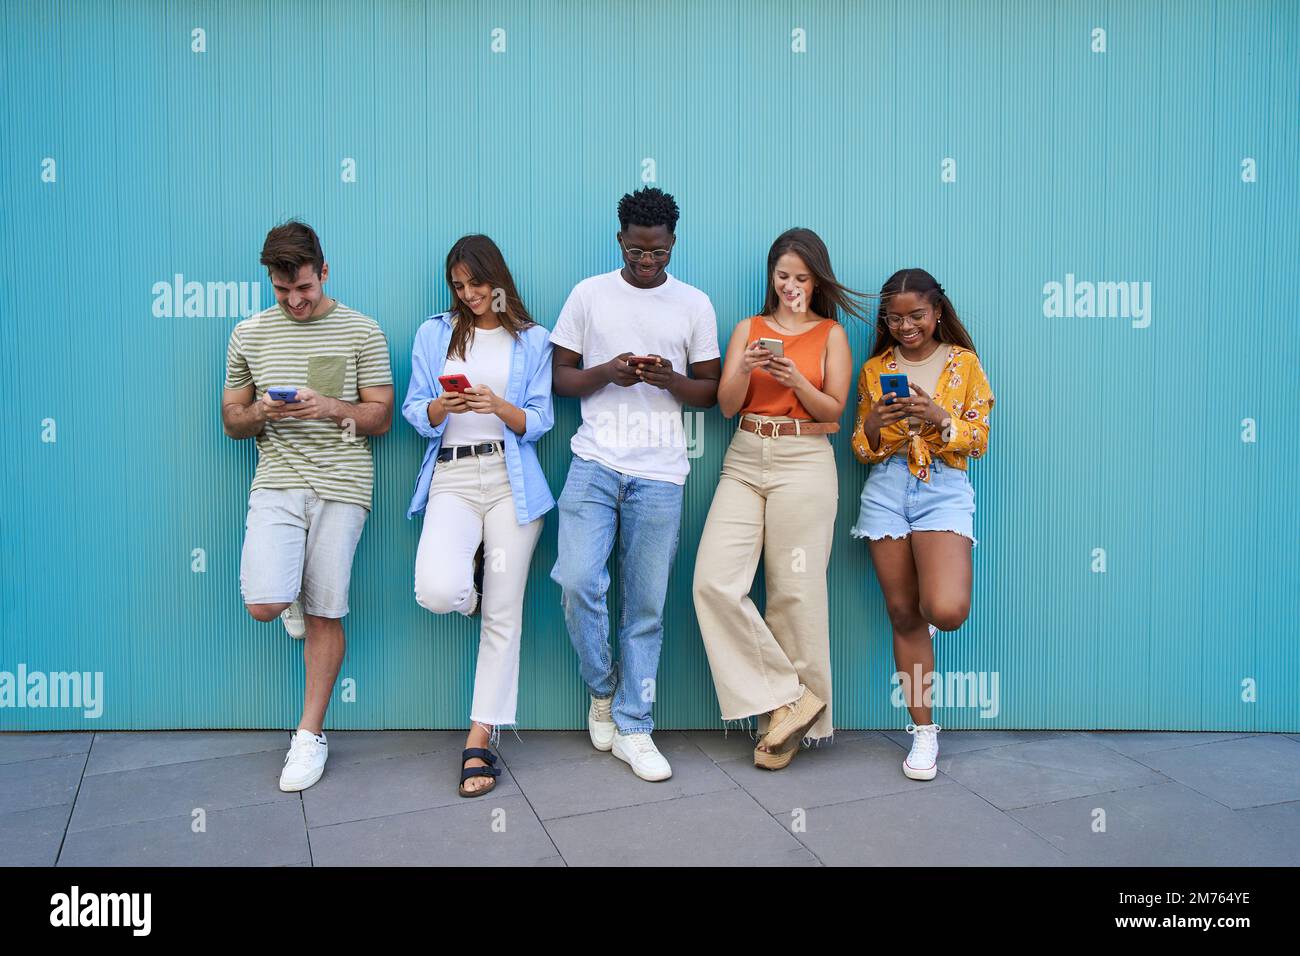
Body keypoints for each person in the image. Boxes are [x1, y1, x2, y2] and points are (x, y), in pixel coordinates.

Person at [549, 186, 721, 782]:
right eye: (637, 251)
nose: (648, 262)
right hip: (593, 462)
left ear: (673, 243)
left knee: (645, 607)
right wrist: (609, 373)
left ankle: (635, 724)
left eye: (659, 253)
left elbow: (713, 393)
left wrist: (669, 380)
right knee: (576, 580)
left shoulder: (694, 304)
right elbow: (560, 381)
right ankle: (603, 688)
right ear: (620, 239)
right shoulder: (588, 295)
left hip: (660, 473)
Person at [221, 220, 393, 792]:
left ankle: (309, 736)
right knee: (265, 604)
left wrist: (324, 407)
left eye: (305, 289)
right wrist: (264, 413)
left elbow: (381, 417)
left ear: (324, 271)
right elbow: (231, 420)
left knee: (326, 612)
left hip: (343, 484)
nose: (294, 301)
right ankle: (287, 585)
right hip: (277, 481)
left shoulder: (363, 331)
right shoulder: (249, 334)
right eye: (281, 291)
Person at [693, 228, 869, 770]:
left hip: (805, 459)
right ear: (771, 277)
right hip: (746, 454)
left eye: (801, 277)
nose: (790, 286)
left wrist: (794, 378)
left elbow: (835, 415)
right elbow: (724, 407)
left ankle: (784, 730)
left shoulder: (831, 335)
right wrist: (744, 368)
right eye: (782, 276)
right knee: (712, 582)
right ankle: (791, 698)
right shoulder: (749, 328)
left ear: (817, 279)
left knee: (796, 593)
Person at [402, 235, 555, 797]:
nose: (467, 295)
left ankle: (480, 736)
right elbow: (416, 410)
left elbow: (539, 420)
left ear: (498, 280)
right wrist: (445, 406)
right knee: (437, 590)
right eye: (459, 286)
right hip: (453, 474)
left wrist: (497, 406)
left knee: (505, 618)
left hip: (512, 480)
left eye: (476, 284)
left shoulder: (532, 339)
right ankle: (475, 592)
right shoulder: (434, 332)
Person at [849, 268, 994, 780]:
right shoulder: (874, 369)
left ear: (936, 312)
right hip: (887, 488)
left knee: (946, 610)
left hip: (942, 488)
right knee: (903, 615)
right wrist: (876, 424)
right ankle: (924, 732)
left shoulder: (964, 364)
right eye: (895, 317)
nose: (906, 325)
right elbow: (861, 448)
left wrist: (936, 416)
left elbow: (978, 439)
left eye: (916, 315)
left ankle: (931, 606)